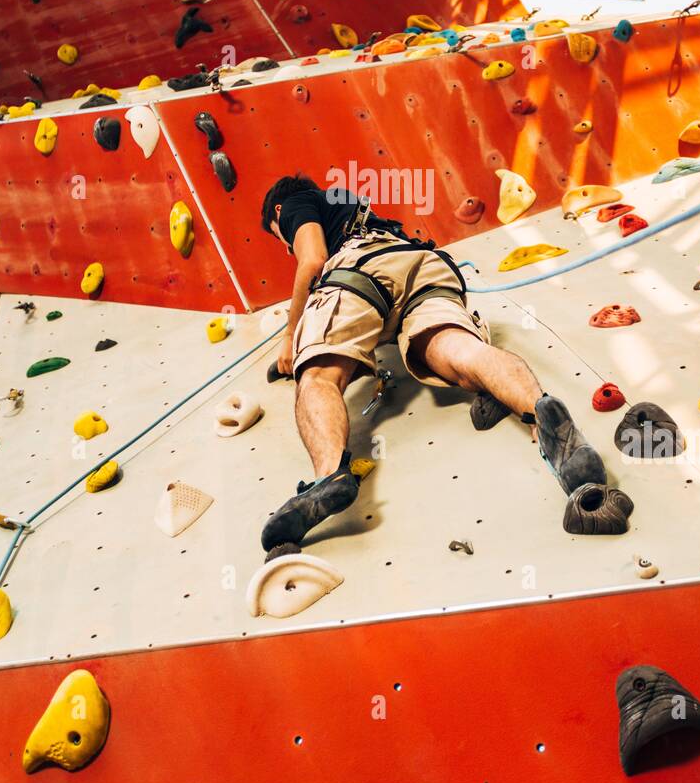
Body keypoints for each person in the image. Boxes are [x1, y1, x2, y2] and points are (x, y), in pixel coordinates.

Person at [259, 175, 605, 555]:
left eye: (280, 238)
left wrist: (291, 338)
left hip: (359, 268)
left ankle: (329, 475)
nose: (285, 245)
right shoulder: (351, 203)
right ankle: (541, 413)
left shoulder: (295, 204)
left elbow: (313, 259)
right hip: (425, 265)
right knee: (459, 351)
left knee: (320, 375)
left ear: (278, 211)